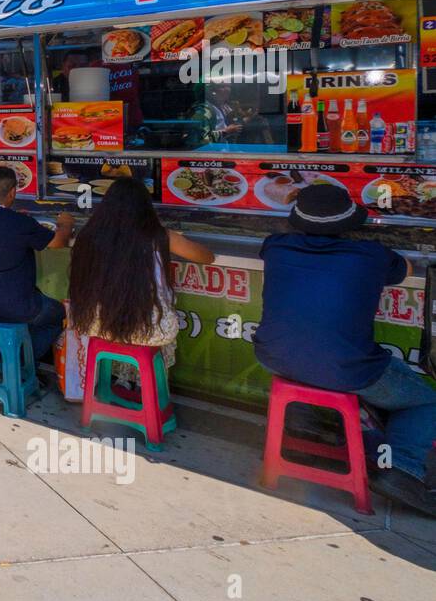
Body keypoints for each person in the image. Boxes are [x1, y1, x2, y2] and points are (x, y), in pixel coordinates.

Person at [254, 183, 436, 514]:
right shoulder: (371, 256)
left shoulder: (275, 246)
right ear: (350, 222)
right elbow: (406, 269)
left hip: (273, 356)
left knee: (319, 363)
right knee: (425, 401)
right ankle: (403, 468)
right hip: (348, 368)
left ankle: (310, 429)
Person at [68, 177, 214, 375]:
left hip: (97, 326)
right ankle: (142, 387)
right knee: (154, 324)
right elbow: (207, 257)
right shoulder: (159, 236)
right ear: (145, 208)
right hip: (149, 331)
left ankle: (121, 382)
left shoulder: (88, 235)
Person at [0, 166, 72, 361]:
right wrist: (66, 223)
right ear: (12, 192)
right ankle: (20, 364)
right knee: (58, 315)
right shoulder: (20, 223)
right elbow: (58, 242)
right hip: (16, 307)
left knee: (22, 314)